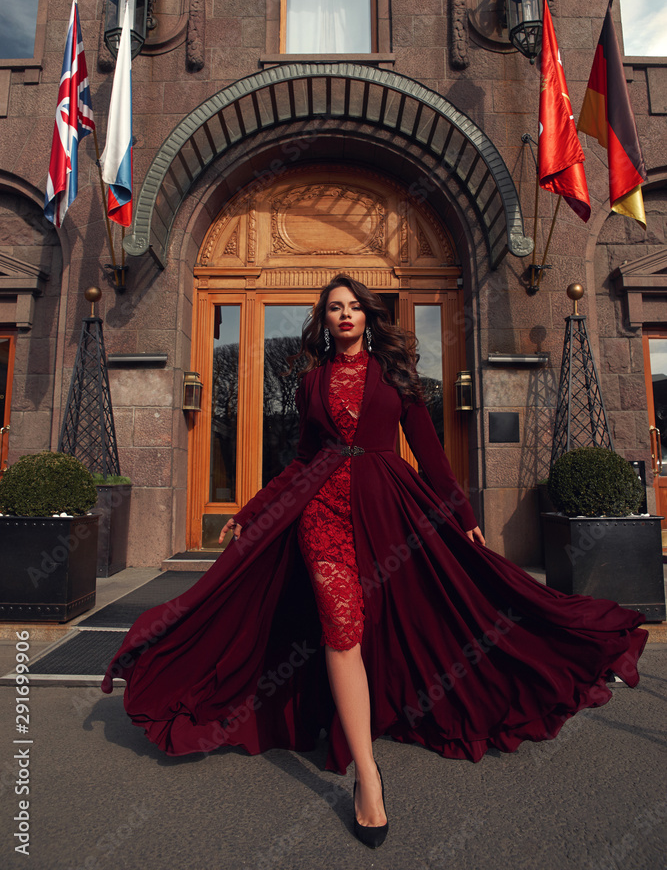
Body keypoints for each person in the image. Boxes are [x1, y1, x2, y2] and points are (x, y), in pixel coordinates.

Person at [102, 274, 648, 851]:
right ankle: (368, 775)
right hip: (321, 510)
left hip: (388, 504)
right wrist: (255, 507)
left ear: (368, 316)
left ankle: (400, 708)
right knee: (342, 630)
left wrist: (460, 510)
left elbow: (430, 449)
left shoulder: (395, 375)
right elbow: (303, 457)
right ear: (325, 319)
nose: (344, 315)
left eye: (353, 307)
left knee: (410, 609)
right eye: (334, 308)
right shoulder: (311, 380)